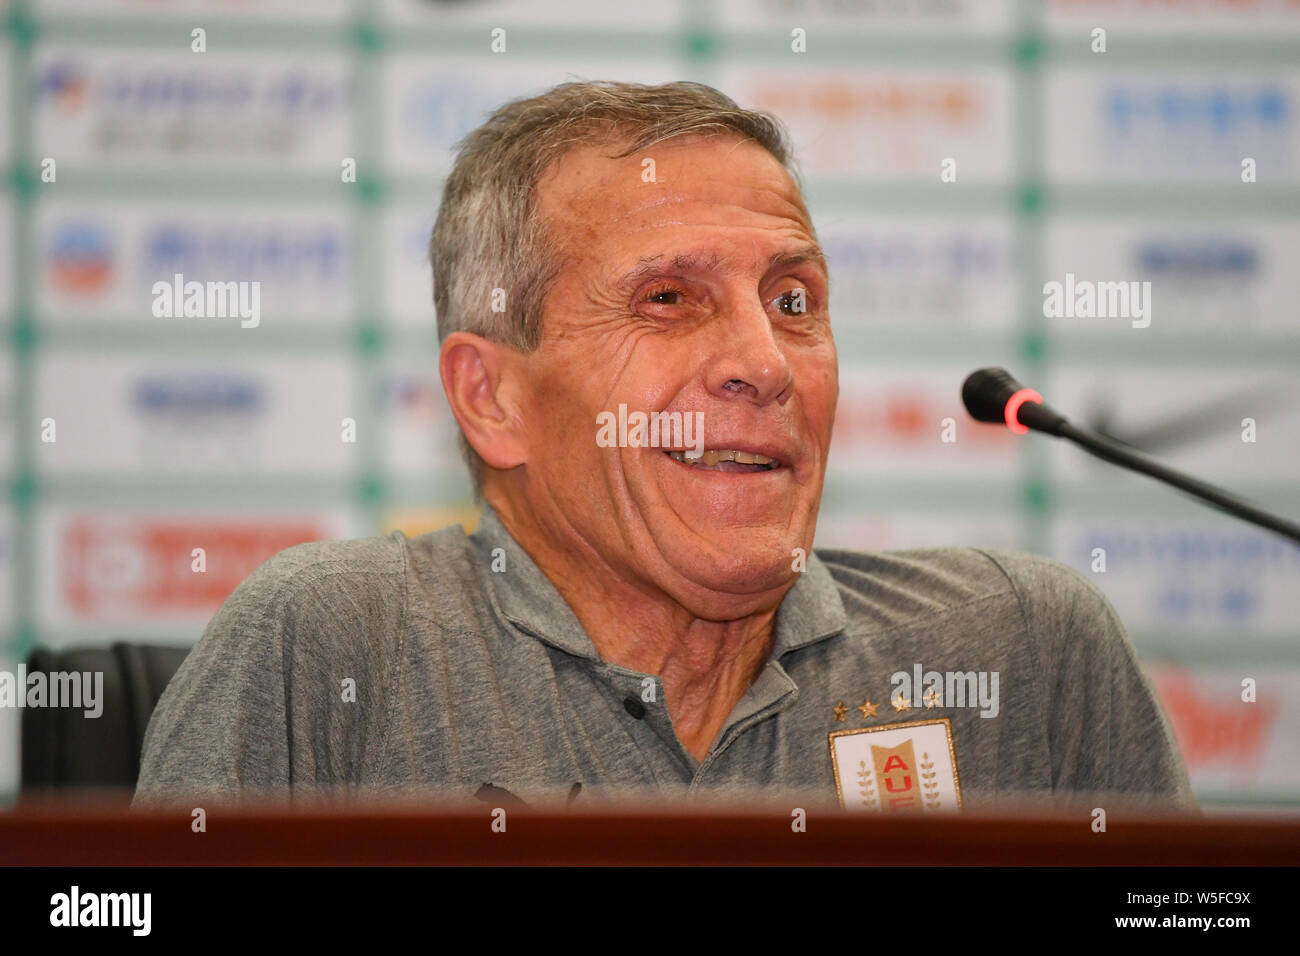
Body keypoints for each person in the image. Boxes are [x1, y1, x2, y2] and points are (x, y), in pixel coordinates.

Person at [134, 80, 1194, 813]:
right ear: (490, 394)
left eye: (793, 298)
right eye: (669, 299)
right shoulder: (329, 647)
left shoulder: (1026, 655)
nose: (763, 361)